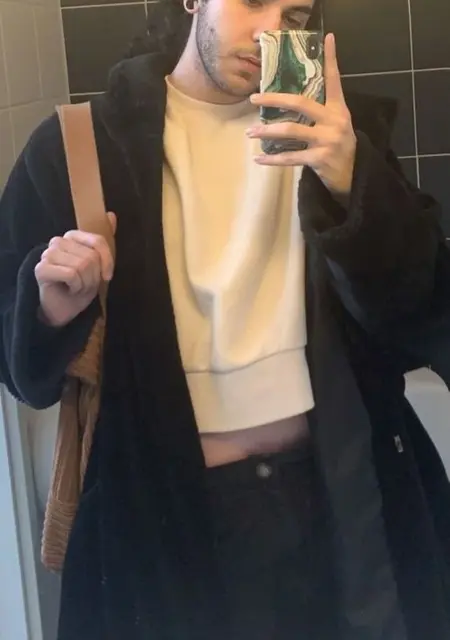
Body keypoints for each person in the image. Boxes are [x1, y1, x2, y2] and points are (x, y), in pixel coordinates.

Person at [1, 0, 450, 637]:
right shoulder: (80, 146)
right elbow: (18, 364)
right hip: (171, 513)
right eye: (253, 1)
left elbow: (419, 311)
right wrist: (51, 307)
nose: (270, 32)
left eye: (293, 16)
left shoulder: (335, 134)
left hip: (341, 496)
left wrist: (355, 182)